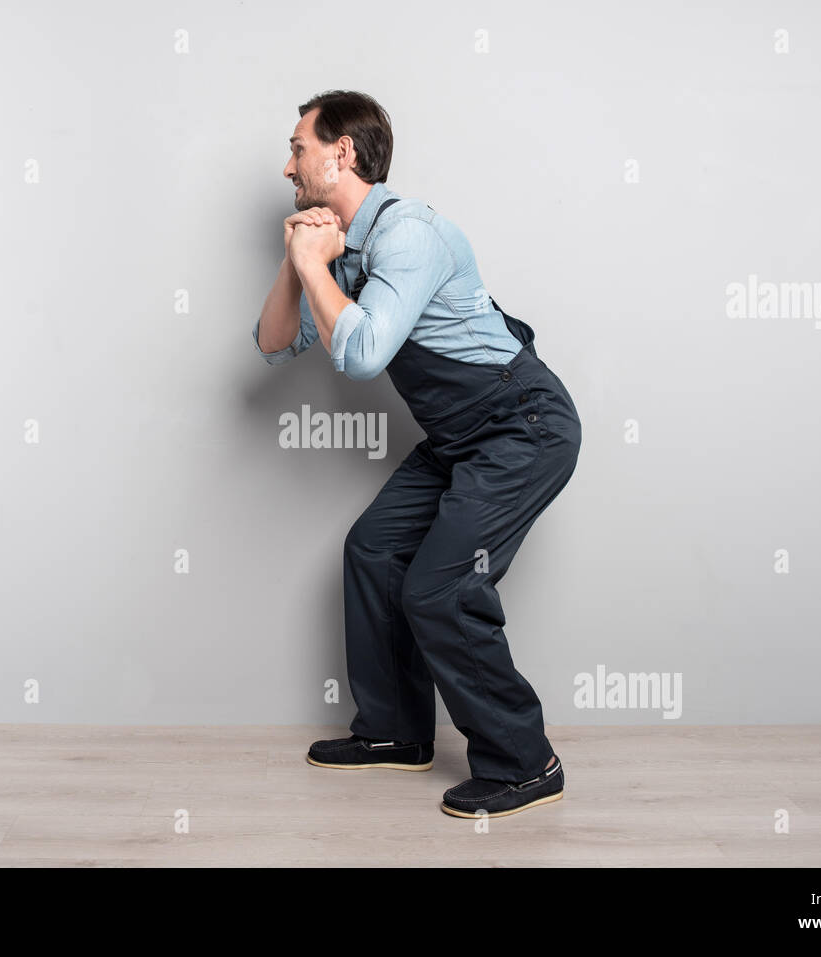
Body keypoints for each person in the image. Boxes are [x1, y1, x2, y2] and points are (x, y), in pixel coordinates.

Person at [252, 90, 582, 819]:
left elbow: (364, 354)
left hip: (523, 425)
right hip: (463, 439)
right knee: (373, 550)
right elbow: (276, 346)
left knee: (439, 587)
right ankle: (396, 731)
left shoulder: (409, 236)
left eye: (298, 147)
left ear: (341, 153)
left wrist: (315, 264)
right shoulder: (341, 249)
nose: (288, 165)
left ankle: (526, 762)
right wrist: (296, 260)